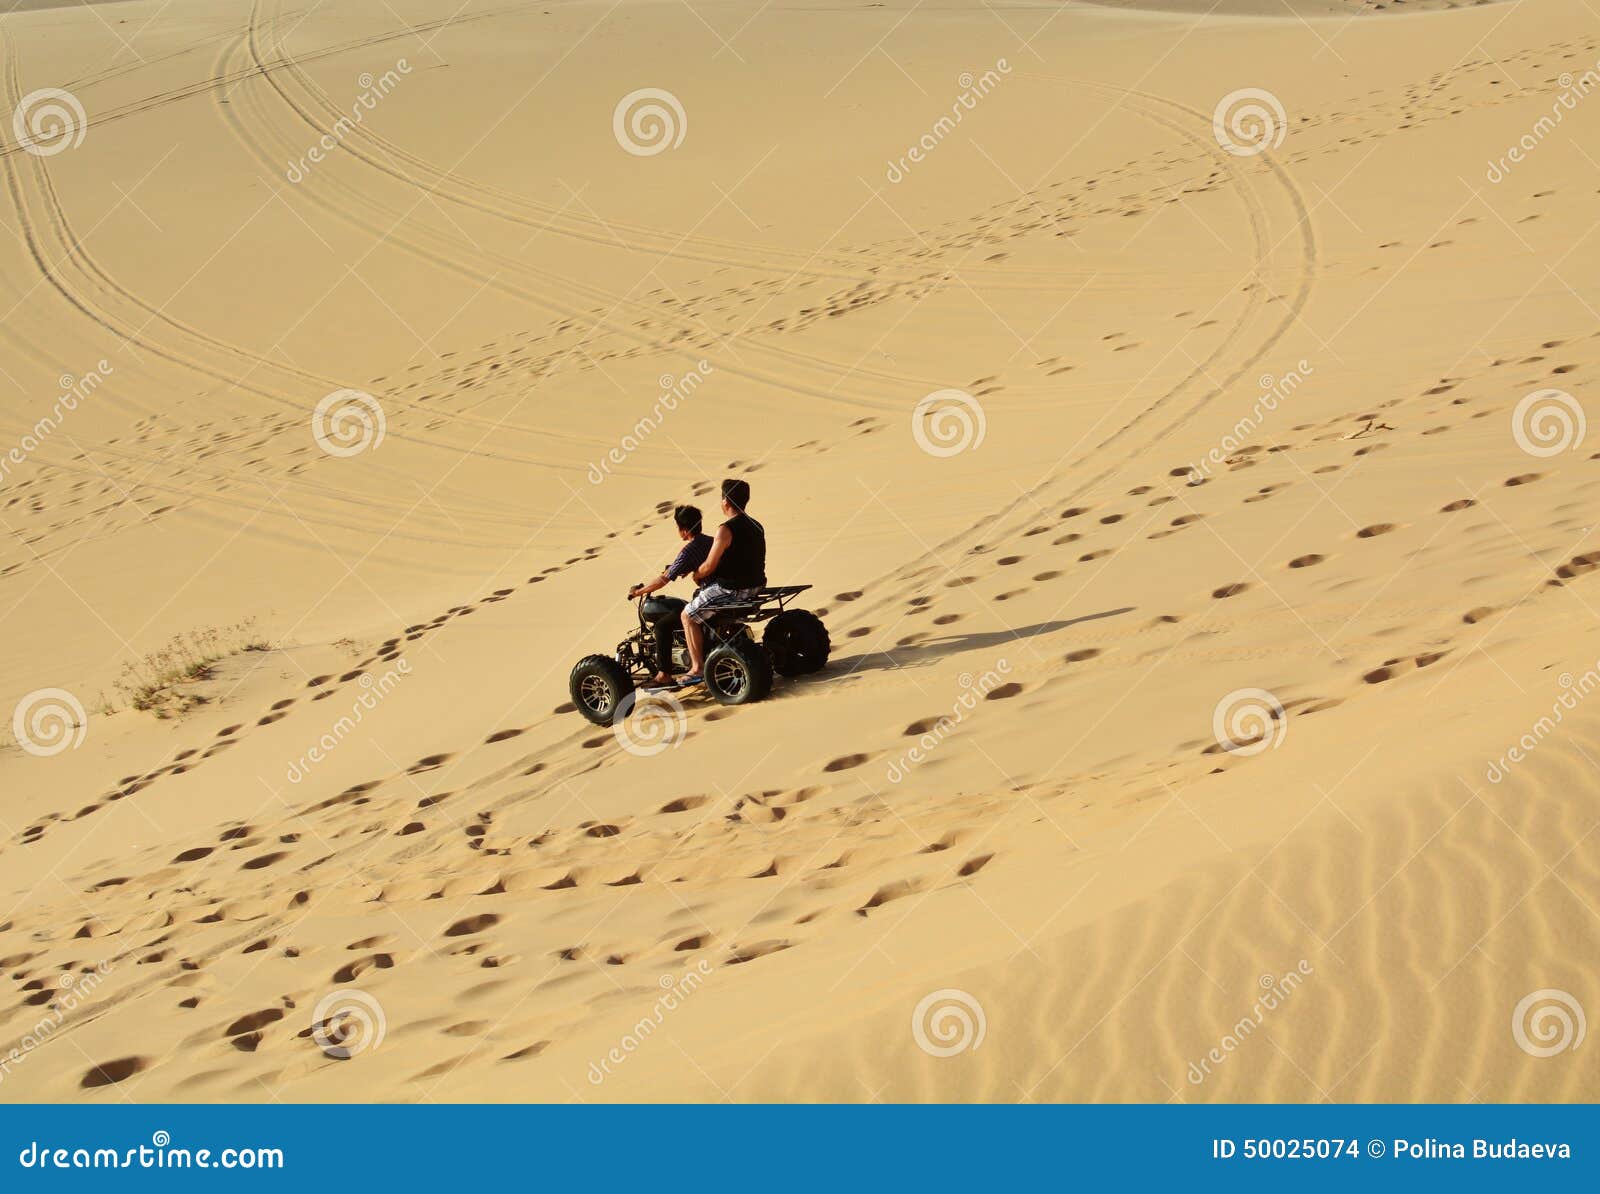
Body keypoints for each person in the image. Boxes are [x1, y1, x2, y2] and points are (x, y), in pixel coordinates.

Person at [678, 478, 766, 687]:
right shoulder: (757, 525)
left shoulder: (725, 529)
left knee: (687, 616)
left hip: (732, 589)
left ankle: (697, 668)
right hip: (757, 584)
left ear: (725, 502)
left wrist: (696, 575)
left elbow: (709, 566)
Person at [627, 506, 712, 687]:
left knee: (662, 626)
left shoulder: (688, 550)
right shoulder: (712, 541)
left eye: (678, 527)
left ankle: (664, 674)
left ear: (684, 530)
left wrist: (638, 592)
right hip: (717, 593)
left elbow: (664, 579)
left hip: (710, 595)